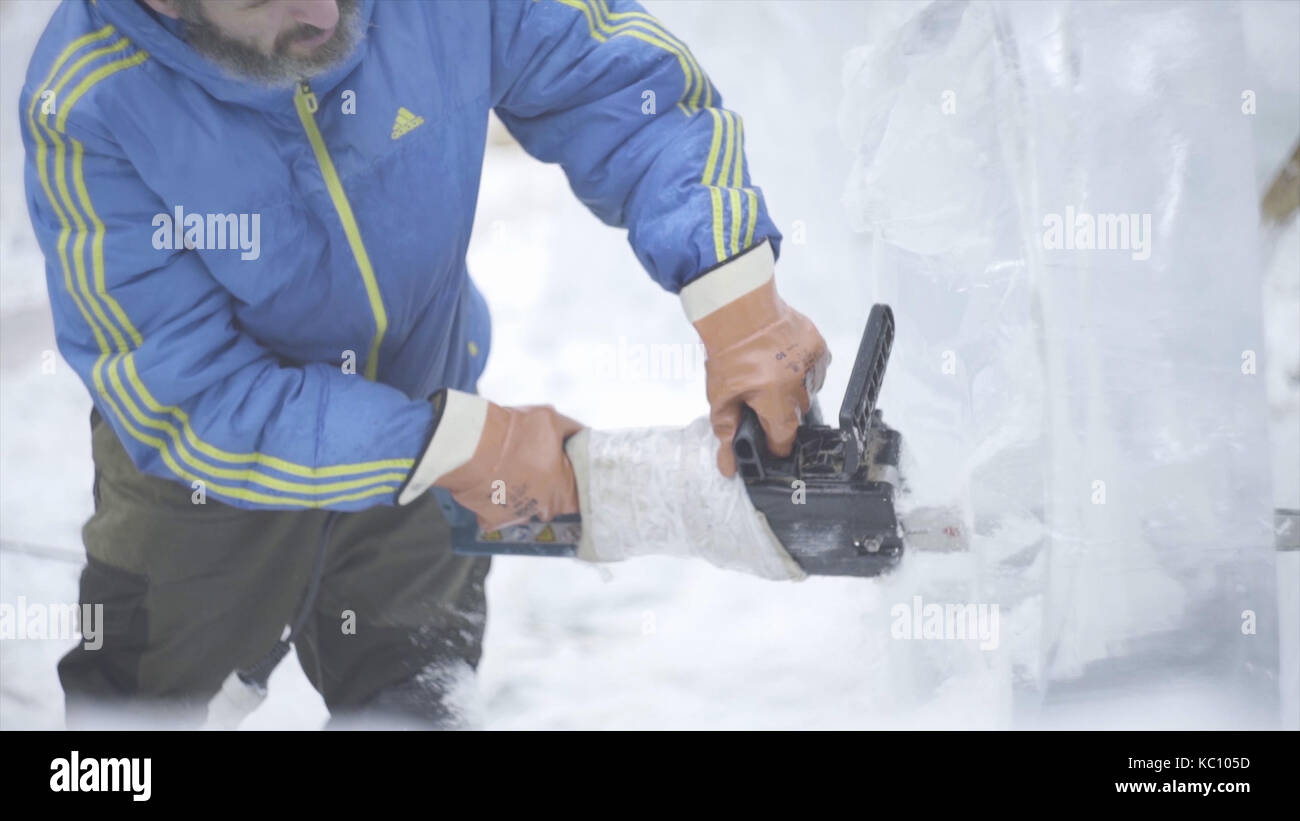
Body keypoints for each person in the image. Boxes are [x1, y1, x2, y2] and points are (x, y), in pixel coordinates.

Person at [21, 0, 829, 728]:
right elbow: (188, 395)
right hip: (206, 485)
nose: (324, 10)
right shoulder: (89, 97)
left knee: (417, 698)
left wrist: (738, 299)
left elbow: (615, 88)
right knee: (128, 733)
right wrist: (462, 445)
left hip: (426, 419)